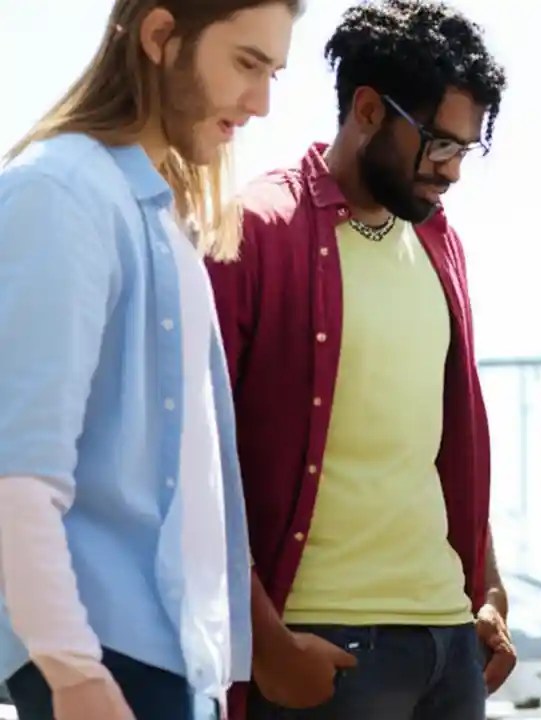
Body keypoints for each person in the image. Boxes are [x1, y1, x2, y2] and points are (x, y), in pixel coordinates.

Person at [204, 2, 514, 719]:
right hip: (325, 643)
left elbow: (440, 439)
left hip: (449, 640)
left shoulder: (439, 242)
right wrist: (267, 644)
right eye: (439, 145)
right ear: (369, 110)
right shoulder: (254, 231)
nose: (452, 171)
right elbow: (197, 459)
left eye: (465, 150)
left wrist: (487, 586)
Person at [0, 2, 298, 719]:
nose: (260, 103)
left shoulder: (161, 215)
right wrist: (71, 668)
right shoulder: (59, 192)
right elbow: (17, 466)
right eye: (246, 64)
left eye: (273, 73)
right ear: (161, 36)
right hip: (104, 662)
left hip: (172, 659)